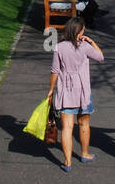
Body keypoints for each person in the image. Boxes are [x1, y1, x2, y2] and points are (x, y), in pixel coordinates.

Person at [45, 18, 104, 170]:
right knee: (84, 123)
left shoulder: (59, 47)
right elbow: (100, 57)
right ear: (81, 31)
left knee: (67, 128)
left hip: (65, 92)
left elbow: (55, 71)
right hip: (83, 91)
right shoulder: (85, 47)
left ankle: (68, 162)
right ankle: (84, 154)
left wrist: (51, 89)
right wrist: (91, 42)